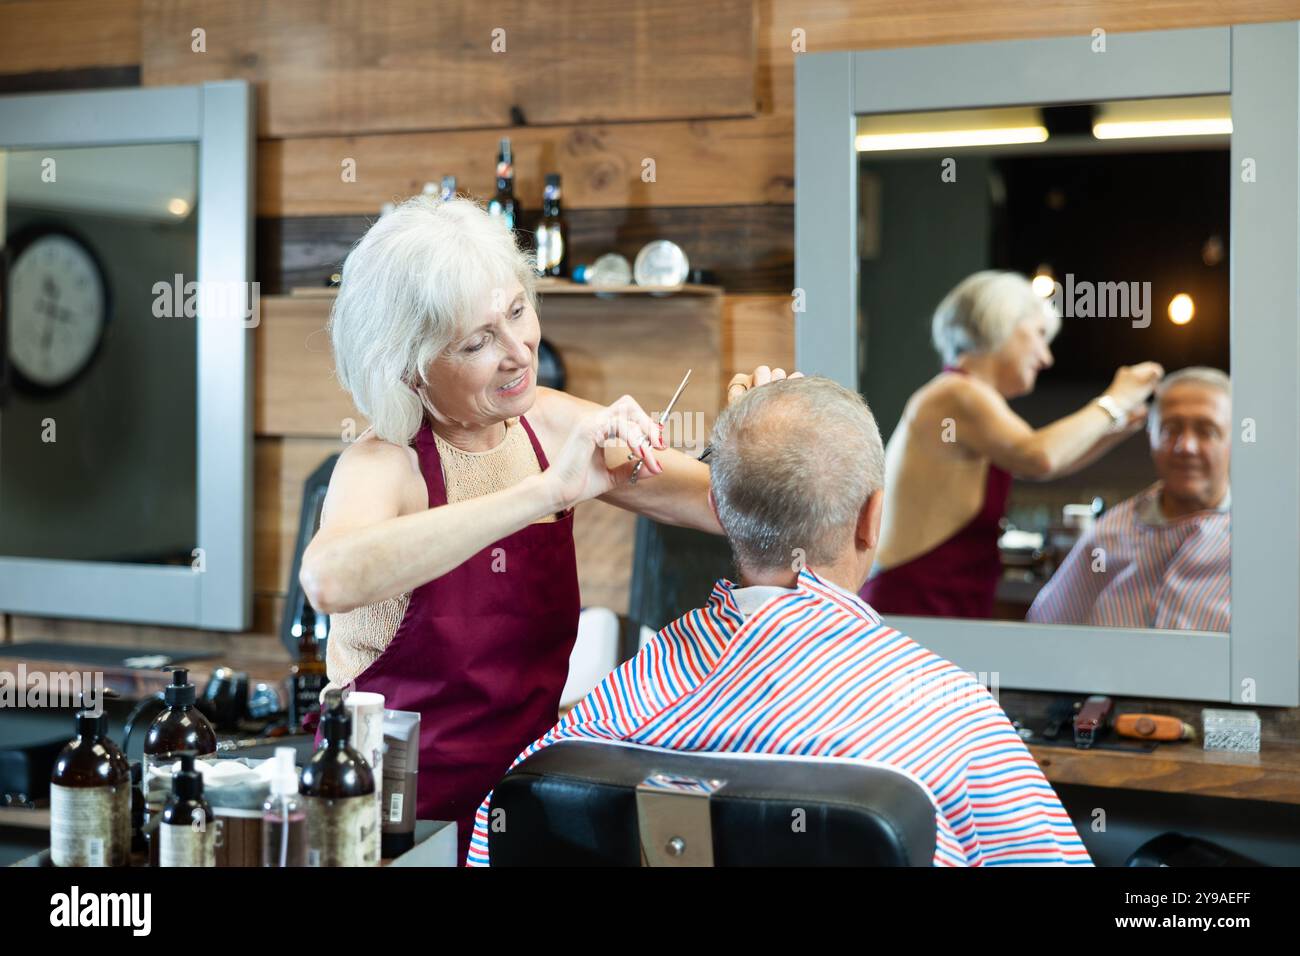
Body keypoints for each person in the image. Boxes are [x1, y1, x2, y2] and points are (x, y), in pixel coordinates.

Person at [298, 194, 790, 863]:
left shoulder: (550, 423)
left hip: (520, 808)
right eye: (477, 341)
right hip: (391, 826)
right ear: (408, 366)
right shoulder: (384, 461)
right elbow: (329, 578)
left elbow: (729, 508)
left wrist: (755, 442)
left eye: (517, 311)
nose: (518, 352)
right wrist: (543, 494)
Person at [468, 377, 1091, 866]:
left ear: (715, 505)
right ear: (872, 517)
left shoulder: (617, 704)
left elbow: (494, 843)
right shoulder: (952, 718)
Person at [861, 270, 1163, 619]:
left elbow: (1048, 463)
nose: (1046, 358)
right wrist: (1114, 400)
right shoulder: (957, 394)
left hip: (933, 608)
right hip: (916, 608)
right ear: (1001, 324)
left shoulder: (964, 395)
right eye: (1039, 335)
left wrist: (1116, 427)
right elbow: (1039, 457)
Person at [1027, 367, 1231, 631]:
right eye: (1170, 429)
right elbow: (1044, 631)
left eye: (1207, 431)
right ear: (1151, 435)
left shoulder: (1262, 545)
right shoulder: (1108, 536)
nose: (1186, 447)